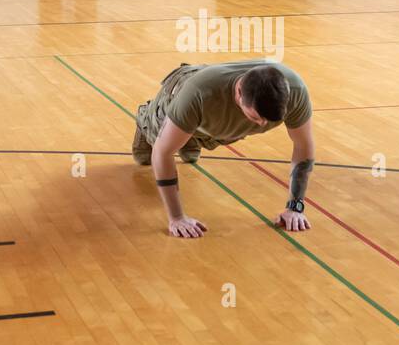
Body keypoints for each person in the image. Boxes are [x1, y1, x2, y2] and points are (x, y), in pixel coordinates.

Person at [133, 61, 315, 238]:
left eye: (270, 120)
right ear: (238, 92)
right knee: (147, 156)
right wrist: (177, 218)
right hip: (179, 94)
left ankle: (190, 135)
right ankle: (146, 119)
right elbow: (161, 152)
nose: (262, 124)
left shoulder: (296, 91)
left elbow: (303, 145)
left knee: (198, 144)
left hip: (212, 122)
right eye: (255, 117)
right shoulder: (198, 93)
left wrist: (295, 207)